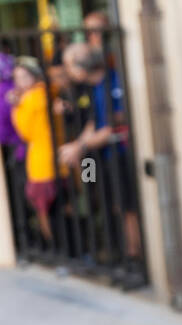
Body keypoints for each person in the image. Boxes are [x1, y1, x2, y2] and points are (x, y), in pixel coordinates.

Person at [57, 42, 141, 262]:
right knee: (110, 202)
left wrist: (80, 146)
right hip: (98, 158)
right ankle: (115, 250)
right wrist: (77, 146)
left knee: (126, 206)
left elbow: (113, 126)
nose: (67, 71)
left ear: (82, 67)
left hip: (118, 154)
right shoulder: (94, 88)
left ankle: (133, 255)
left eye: (69, 65)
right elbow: (93, 123)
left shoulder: (112, 83)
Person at [10, 57, 56, 242]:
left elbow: (25, 132)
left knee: (43, 208)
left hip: (41, 161)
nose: (19, 82)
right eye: (17, 77)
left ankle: (56, 246)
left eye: (24, 76)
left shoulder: (30, 99)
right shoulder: (48, 91)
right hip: (51, 156)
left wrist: (15, 107)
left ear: (35, 76)